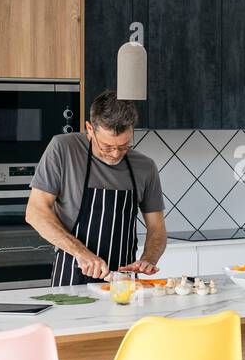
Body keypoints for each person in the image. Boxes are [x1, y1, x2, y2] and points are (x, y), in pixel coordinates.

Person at [25, 90, 166, 285]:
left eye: (124, 145)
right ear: (89, 129)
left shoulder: (145, 167)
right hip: (71, 276)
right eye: (107, 146)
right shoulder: (63, 149)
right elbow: (35, 212)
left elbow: (157, 228)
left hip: (121, 283)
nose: (116, 154)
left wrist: (148, 259)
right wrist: (81, 252)